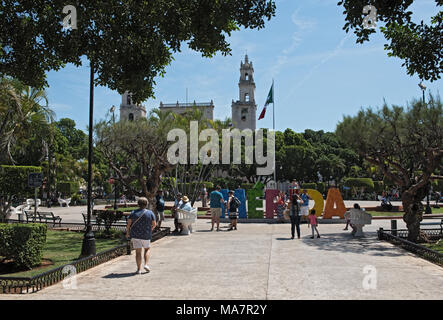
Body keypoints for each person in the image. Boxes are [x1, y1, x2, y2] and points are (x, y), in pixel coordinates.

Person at [126, 197, 156, 274]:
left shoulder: (133, 213)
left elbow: (129, 224)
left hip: (135, 235)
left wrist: (127, 233)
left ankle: (139, 269)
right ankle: (146, 264)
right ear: (146, 204)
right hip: (146, 234)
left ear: (138, 204)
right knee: (147, 249)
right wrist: (150, 229)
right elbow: (154, 224)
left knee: (138, 252)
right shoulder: (150, 213)